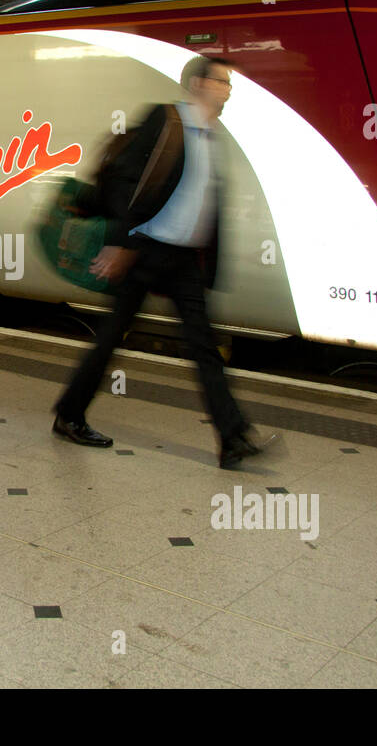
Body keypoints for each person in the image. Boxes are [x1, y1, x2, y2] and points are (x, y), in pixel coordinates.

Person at [52, 56, 267, 469]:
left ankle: (232, 436)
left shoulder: (211, 134)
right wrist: (120, 242)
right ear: (200, 83)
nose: (228, 89)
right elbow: (125, 183)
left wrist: (209, 265)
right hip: (143, 249)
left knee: (204, 345)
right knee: (111, 338)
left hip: (183, 260)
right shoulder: (166, 121)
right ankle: (70, 415)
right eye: (223, 82)